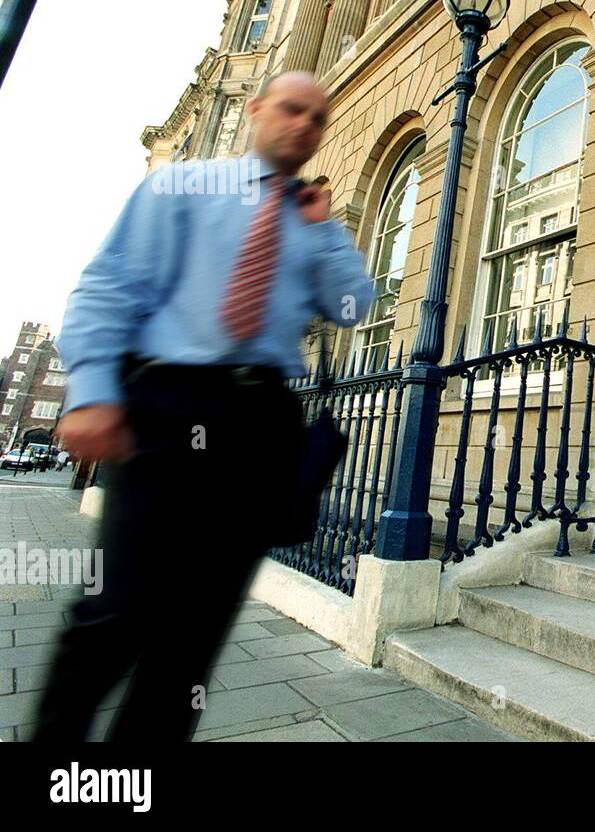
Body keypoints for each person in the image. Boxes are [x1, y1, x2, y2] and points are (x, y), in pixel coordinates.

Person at [31, 71, 374, 742]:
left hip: (263, 422)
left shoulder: (311, 222)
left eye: (317, 118)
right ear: (256, 111)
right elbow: (109, 286)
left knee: (195, 636)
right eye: (291, 109)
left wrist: (327, 230)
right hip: (167, 404)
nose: (303, 125)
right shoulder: (181, 187)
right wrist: (94, 391)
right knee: (117, 612)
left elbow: (354, 304)